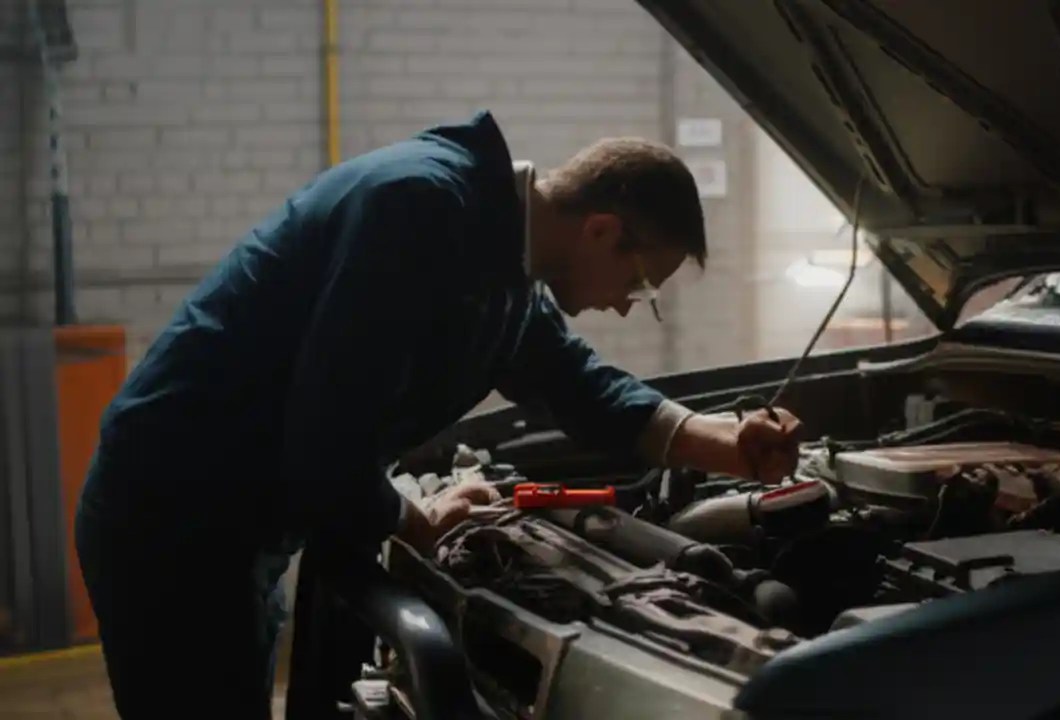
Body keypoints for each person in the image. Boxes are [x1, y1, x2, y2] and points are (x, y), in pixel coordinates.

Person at [74, 110, 803, 718]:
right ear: (602, 231)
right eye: (640, 285)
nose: (624, 306)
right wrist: (414, 519)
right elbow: (327, 440)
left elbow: (577, 382)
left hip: (237, 526)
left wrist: (726, 445)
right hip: (175, 520)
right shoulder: (418, 210)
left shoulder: (498, 257)